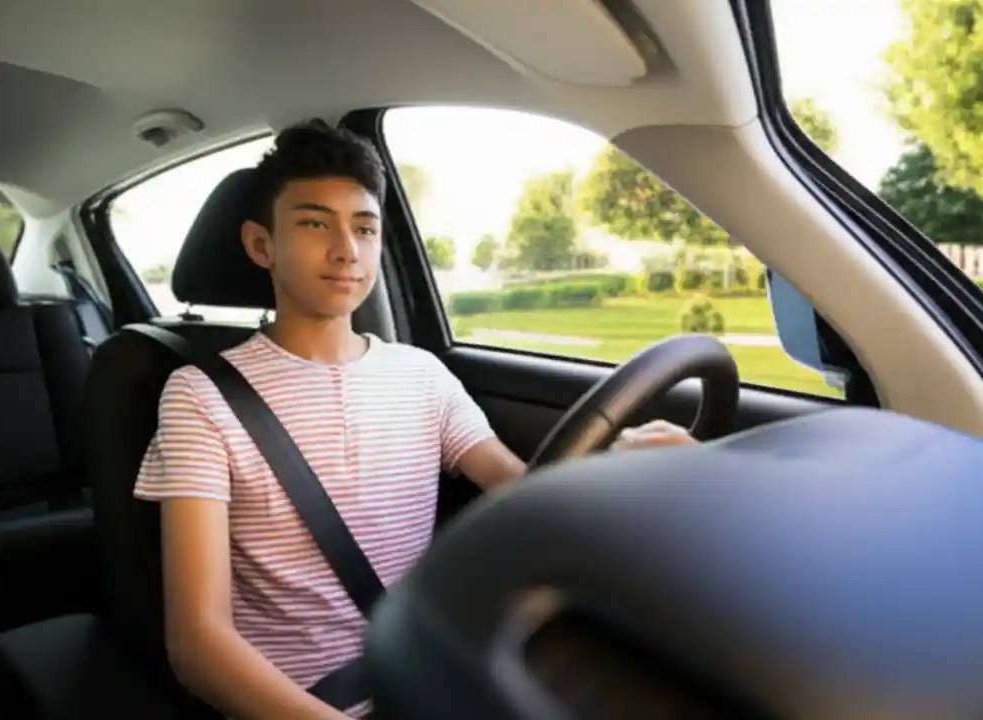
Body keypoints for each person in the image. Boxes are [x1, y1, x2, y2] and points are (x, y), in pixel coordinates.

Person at [133, 120, 695, 719]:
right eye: (314, 223)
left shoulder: (421, 375)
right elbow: (197, 642)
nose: (347, 249)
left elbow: (524, 492)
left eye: (364, 227)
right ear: (260, 245)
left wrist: (627, 475)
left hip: (431, 671)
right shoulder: (199, 396)